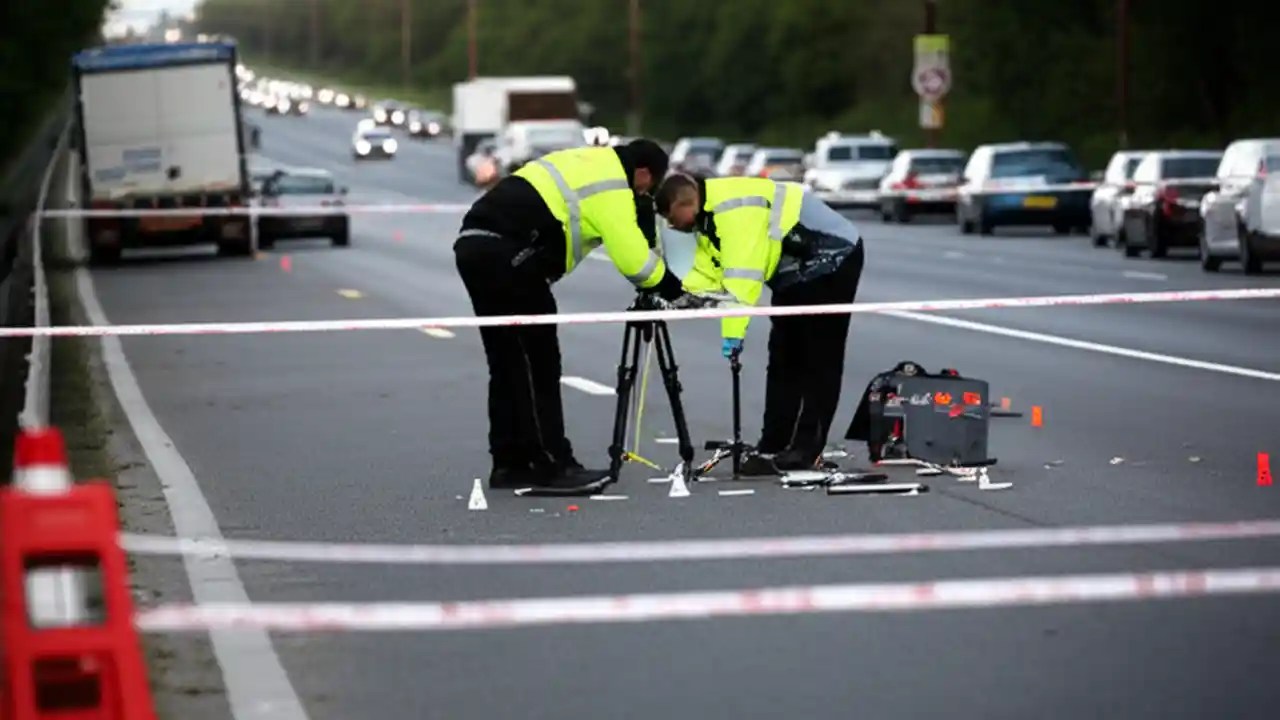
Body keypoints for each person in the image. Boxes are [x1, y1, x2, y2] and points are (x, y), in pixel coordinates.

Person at [454, 140, 687, 491]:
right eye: (648, 187)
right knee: (540, 360)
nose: (645, 195)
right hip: (511, 253)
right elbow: (635, 262)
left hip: (476, 244)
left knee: (507, 363)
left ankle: (510, 463)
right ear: (643, 172)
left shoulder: (588, 162)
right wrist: (675, 290)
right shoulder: (613, 184)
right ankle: (554, 464)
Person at [653, 172, 866, 474]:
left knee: (819, 356)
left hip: (832, 255)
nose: (673, 225)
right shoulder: (704, 218)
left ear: (687, 202)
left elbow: (741, 280)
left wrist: (732, 334)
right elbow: (710, 274)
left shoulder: (733, 211)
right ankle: (773, 446)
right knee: (783, 354)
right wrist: (674, 295)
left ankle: (807, 449)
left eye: (672, 217)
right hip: (794, 266)